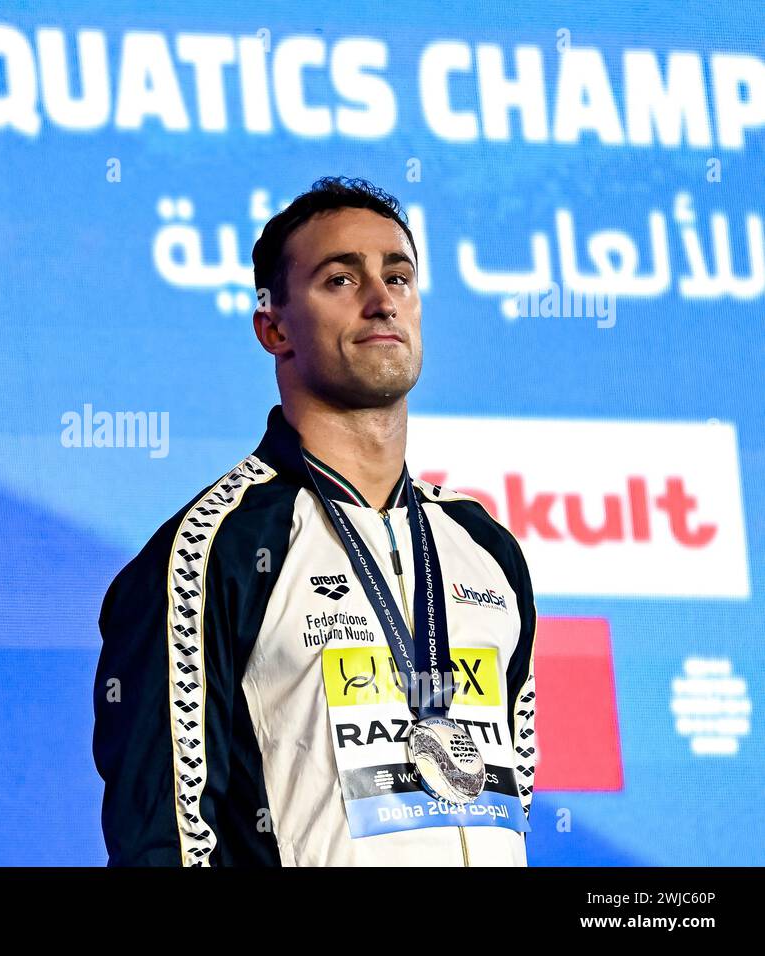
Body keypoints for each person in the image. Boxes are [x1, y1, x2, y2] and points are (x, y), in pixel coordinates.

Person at [92, 176, 539, 866]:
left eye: (399, 276)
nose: (381, 299)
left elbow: (514, 804)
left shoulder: (485, 549)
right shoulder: (214, 551)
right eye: (340, 279)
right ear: (273, 327)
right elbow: (165, 841)